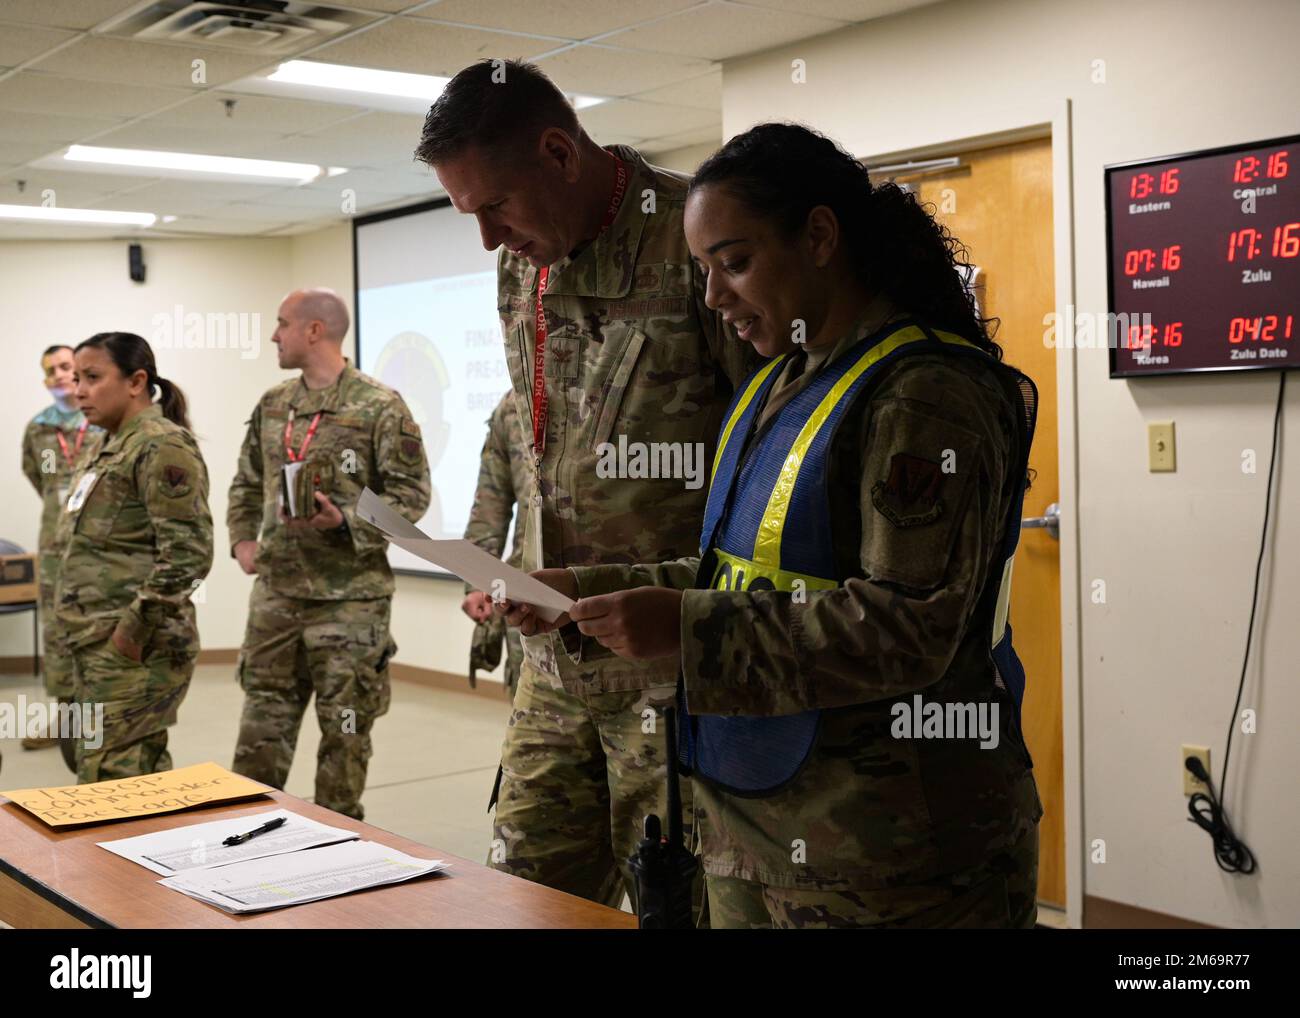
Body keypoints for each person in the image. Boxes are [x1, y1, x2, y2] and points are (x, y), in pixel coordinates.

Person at [510, 123, 1043, 928]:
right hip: (753, 830)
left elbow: (905, 628)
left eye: (736, 262)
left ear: (820, 236)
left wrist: (686, 630)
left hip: (894, 856)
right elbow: (737, 574)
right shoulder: (777, 388)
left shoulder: (924, 395)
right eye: (703, 271)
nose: (716, 297)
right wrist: (588, 592)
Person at [416, 59, 754, 910]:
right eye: (469, 214)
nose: (489, 239)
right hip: (554, 655)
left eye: (495, 205)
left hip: (672, 659)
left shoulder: (694, 239)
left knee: (680, 902)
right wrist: (508, 571)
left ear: (560, 153)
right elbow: (537, 435)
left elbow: (772, 457)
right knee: (524, 889)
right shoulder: (521, 265)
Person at [228, 287, 431, 821]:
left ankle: (337, 844)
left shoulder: (380, 405)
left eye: (281, 323)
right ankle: (243, 839)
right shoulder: (273, 405)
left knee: (345, 734)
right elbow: (246, 482)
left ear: (314, 330)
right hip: (276, 596)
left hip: (351, 601)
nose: (274, 335)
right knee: (259, 731)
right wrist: (241, 540)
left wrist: (345, 521)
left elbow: (411, 498)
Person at [55, 333, 212, 783]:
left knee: (119, 782)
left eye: (92, 377)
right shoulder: (109, 444)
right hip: (94, 639)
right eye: (76, 378)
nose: (79, 390)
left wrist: (131, 632)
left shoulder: (160, 445)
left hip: (134, 648)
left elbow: (188, 554)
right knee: (110, 775)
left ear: (136, 381)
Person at [20, 343, 100, 765]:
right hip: (55, 549)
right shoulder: (39, 430)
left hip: (99, 550)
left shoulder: (103, 422)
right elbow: (40, 478)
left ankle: (99, 718)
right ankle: (66, 718)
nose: (60, 375)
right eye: (50, 370)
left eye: (66, 366)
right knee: (56, 633)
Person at [461, 392, 530, 694]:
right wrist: (477, 580)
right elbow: (491, 502)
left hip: (615, 602)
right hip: (529, 604)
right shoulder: (514, 406)